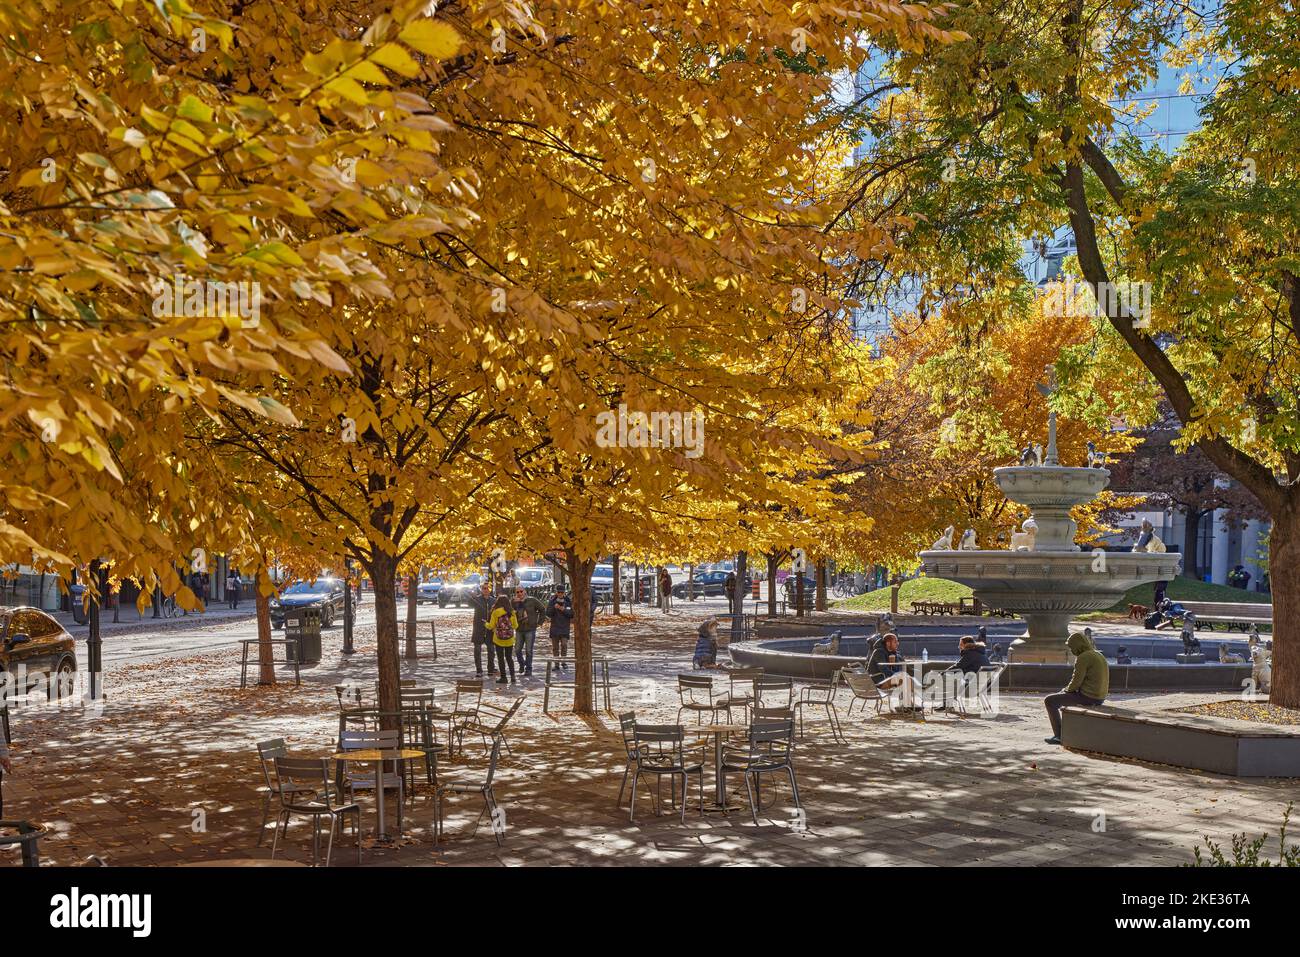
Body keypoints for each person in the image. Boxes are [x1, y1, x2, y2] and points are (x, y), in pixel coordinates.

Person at [1043, 631, 1110, 744]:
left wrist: (1064, 691)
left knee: (1050, 700)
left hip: (1088, 697)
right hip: (1100, 697)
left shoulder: (1083, 657)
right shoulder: (1098, 654)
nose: (1071, 651)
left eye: (1071, 647)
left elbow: (1076, 682)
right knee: (1060, 697)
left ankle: (1059, 735)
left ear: (1077, 645)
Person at [866, 632, 922, 709]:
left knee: (906, 678)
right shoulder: (879, 652)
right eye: (895, 642)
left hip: (886, 679)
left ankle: (907, 704)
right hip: (878, 681)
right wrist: (897, 675)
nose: (898, 643)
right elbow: (884, 669)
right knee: (904, 678)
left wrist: (913, 674)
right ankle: (907, 704)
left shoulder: (894, 653)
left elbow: (901, 668)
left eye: (897, 641)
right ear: (888, 643)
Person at [513, 585, 547, 677]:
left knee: (529, 650)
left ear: (524, 591)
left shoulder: (532, 600)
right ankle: (521, 664)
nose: (519, 593)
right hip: (519, 629)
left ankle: (529, 669)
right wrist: (513, 602)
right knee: (517, 649)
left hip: (530, 628)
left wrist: (540, 622)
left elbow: (542, 609)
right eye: (517, 592)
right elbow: (509, 611)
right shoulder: (514, 602)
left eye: (521, 591)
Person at [487, 594, 518, 685]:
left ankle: (503, 677)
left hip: (498, 639)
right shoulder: (511, 612)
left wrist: (485, 624)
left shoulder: (495, 612)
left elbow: (491, 626)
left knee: (500, 659)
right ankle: (513, 676)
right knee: (509, 658)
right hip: (509, 639)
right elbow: (516, 626)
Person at [470, 581, 496, 678]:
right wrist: (472, 596)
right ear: (481, 590)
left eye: (487, 588)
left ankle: (490, 669)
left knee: (491, 650)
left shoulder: (493, 600)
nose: (485, 590)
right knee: (477, 650)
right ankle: (479, 670)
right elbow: (469, 603)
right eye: (484, 588)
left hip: (489, 628)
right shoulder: (477, 599)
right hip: (478, 628)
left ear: (490, 590)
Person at [547, 585, 573, 669]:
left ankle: (564, 662)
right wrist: (554, 608)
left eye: (562, 592)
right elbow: (548, 613)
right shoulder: (552, 601)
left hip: (565, 627)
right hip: (555, 627)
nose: (560, 594)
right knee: (555, 647)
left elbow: (571, 614)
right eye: (559, 592)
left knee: (564, 645)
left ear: (564, 592)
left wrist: (563, 609)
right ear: (556, 592)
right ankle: (556, 664)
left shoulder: (568, 601)